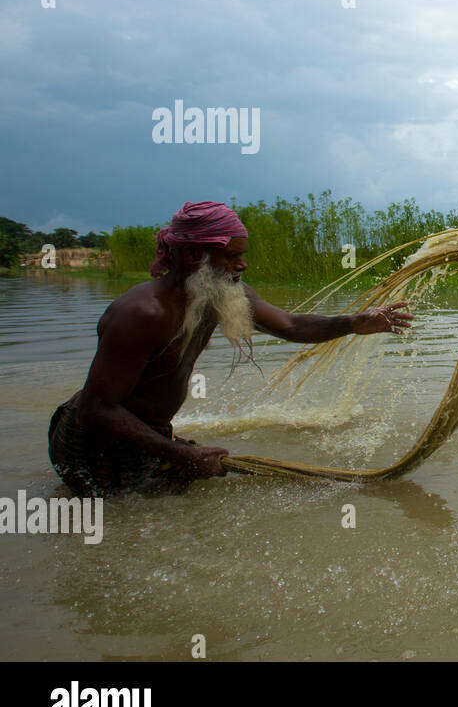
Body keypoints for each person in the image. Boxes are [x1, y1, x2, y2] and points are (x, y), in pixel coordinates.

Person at [48, 201, 414, 497]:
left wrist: (352, 323)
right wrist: (183, 455)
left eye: (242, 254)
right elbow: (96, 410)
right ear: (193, 254)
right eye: (231, 255)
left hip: (150, 435)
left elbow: (291, 325)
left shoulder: (223, 291)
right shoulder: (143, 314)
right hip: (97, 446)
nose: (243, 265)